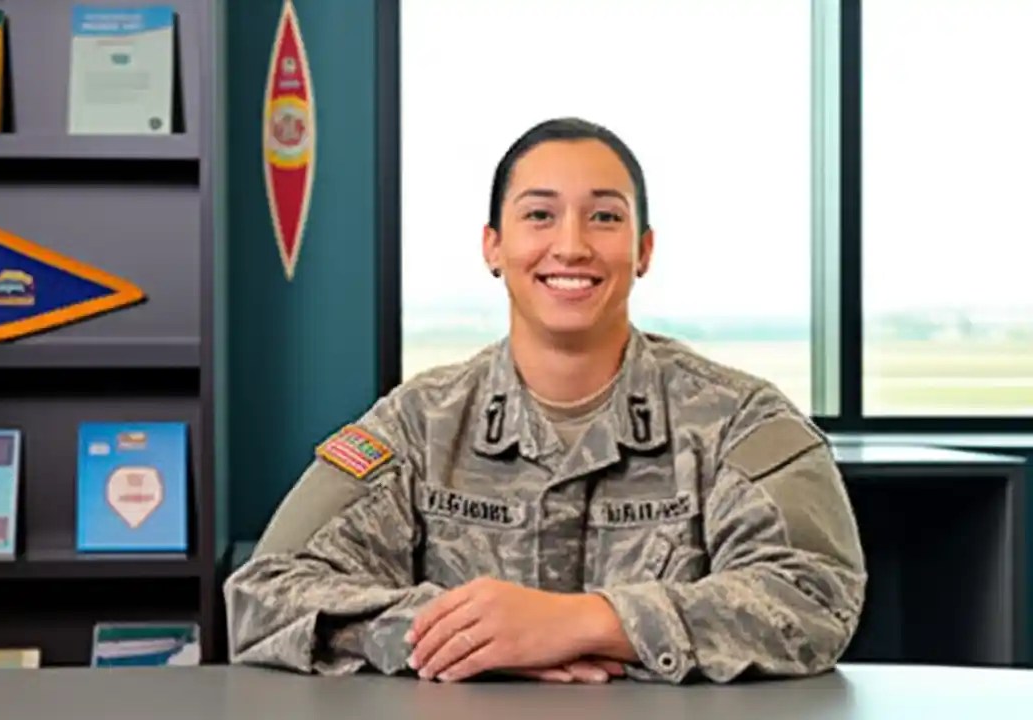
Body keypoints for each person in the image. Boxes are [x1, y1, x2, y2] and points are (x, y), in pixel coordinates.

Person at [223, 117, 867, 685]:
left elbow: (816, 594)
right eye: (539, 214)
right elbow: (264, 595)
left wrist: (586, 622)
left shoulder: (738, 421)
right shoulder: (421, 425)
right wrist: (471, 638)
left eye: (606, 216)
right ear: (493, 247)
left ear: (643, 250)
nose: (571, 245)